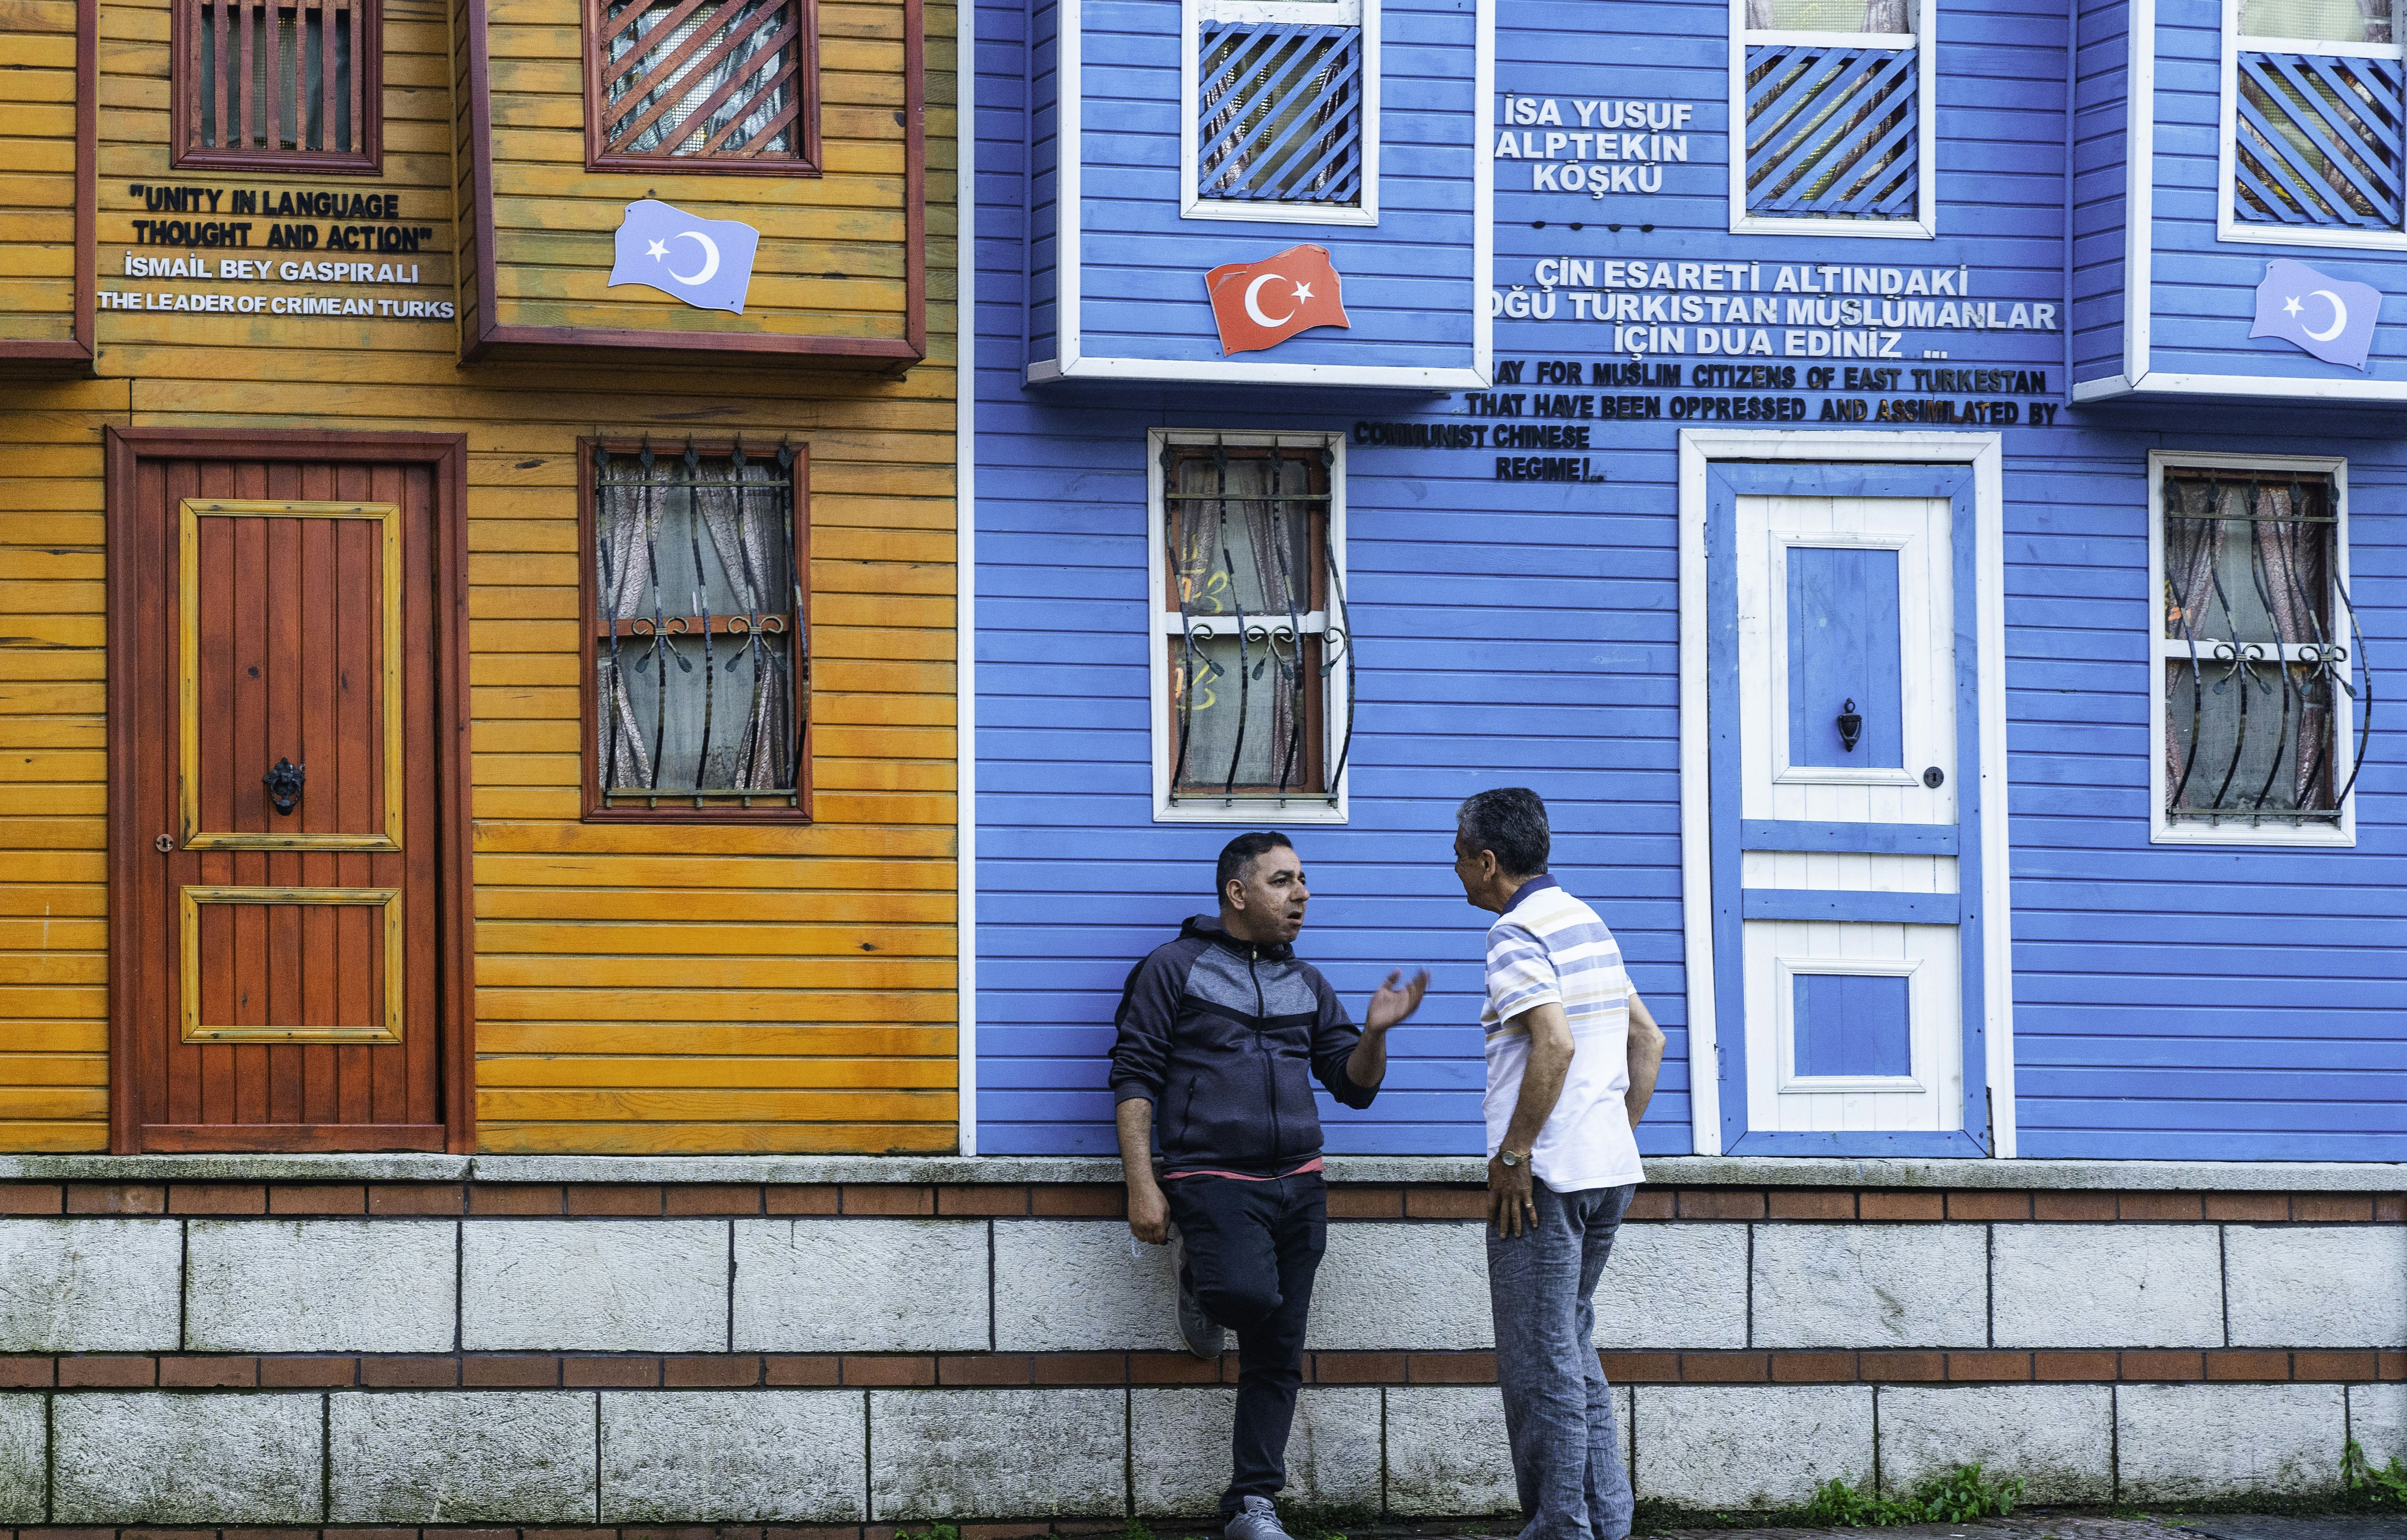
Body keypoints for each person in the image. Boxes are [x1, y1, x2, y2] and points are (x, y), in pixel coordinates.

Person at [1111, 831, 1430, 1540]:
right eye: (1283, 881)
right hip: (1210, 1176)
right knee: (1245, 1296)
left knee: (1278, 1354)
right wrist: (1142, 1185)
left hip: (1300, 1184)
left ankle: (1251, 1504)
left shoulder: (1307, 982)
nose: (1302, 895)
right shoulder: (1173, 969)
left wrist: (1376, 1035)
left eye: (1302, 881)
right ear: (1237, 893)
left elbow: (1354, 1088)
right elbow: (1134, 1074)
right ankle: (1201, 1279)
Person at [1452, 787, 1665, 1540]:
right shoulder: (1586, 920)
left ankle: (1561, 1530)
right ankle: (1607, 1524)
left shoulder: (1515, 932)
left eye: (1458, 854)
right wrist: (1606, 1134)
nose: (1455, 868)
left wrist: (1516, 1154)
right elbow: (1649, 1042)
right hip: (1607, 1173)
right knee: (1571, 1349)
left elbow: (1555, 1043)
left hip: (1543, 1183)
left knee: (1539, 1366)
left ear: (1488, 861)